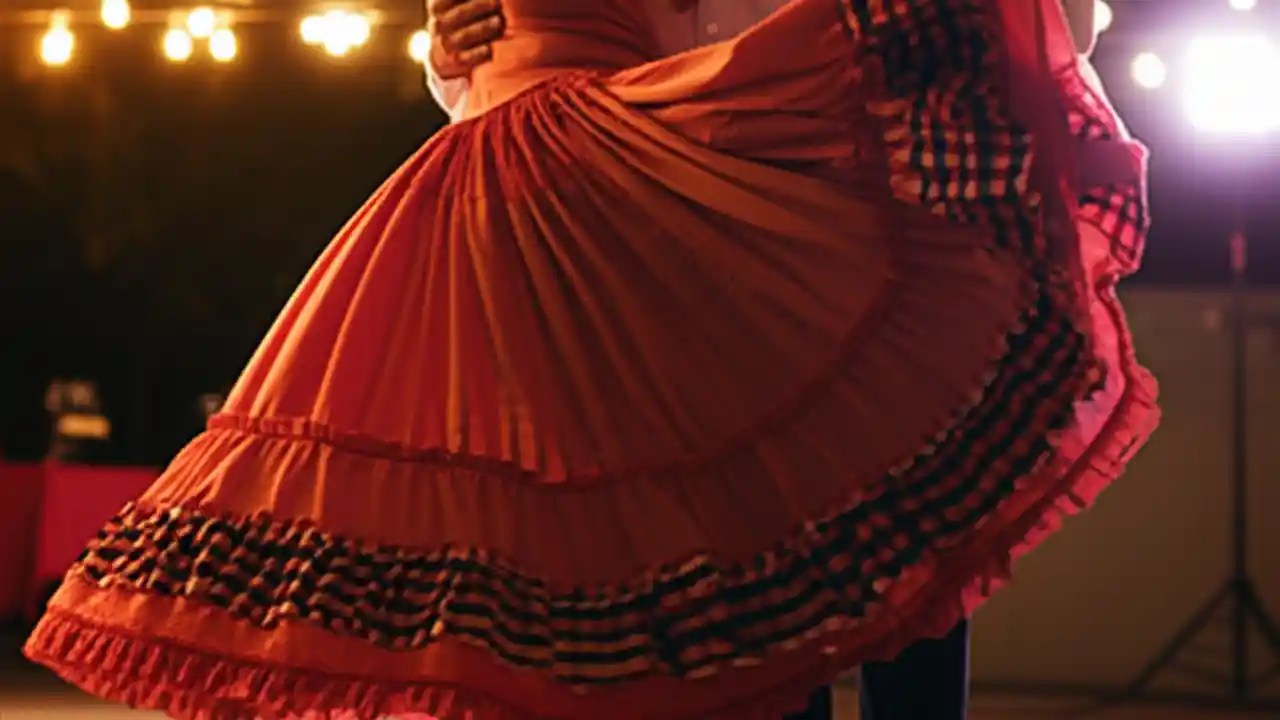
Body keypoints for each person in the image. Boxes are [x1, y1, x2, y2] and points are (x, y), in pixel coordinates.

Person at [24, 1, 1156, 719]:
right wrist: (448, 52)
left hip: (704, 166)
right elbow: (496, 52)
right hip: (603, 180)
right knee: (758, 527)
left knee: (850, 494)